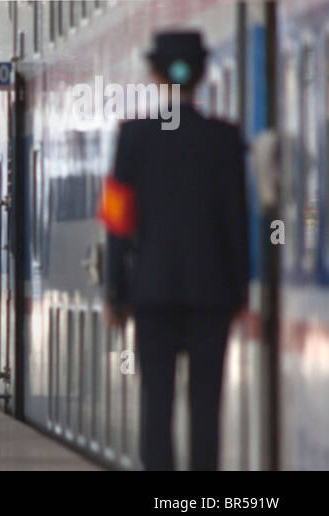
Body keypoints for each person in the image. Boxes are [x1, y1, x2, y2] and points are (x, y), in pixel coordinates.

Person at [101, 31, 248, 471]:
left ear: (155, 75)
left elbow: (117, 223)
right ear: (202, 75)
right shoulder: (225, 139)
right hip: (213, 294)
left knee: (156, 403)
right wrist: (239, 291)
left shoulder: (132, 138)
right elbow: (237, 222)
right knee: (207, 405)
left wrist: (115, 291)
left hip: (151, 293)